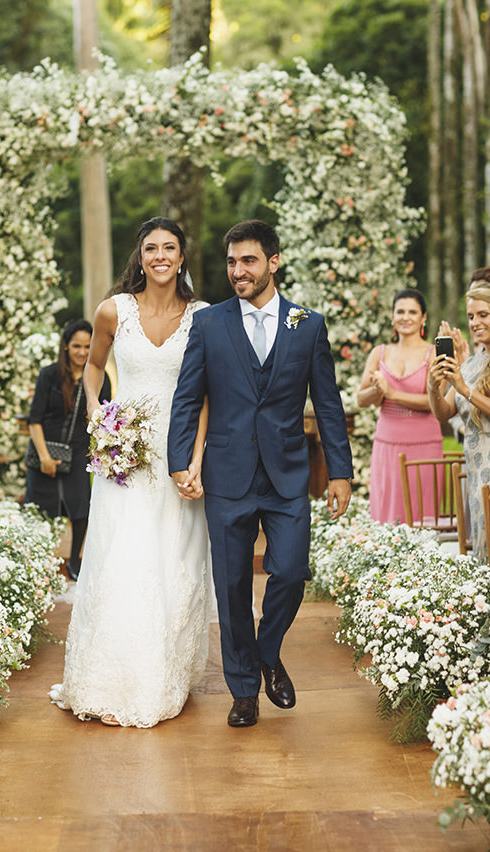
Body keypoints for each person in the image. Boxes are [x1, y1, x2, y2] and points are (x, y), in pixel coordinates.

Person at [168, 219, 352, 728]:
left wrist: (340, 471)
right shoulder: (209, 325)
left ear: (274, 262)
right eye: (231, 262)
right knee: (230, 586)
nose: (237, 271)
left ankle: (266, 651)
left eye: (248, 260)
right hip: (227, 473)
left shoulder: (308, 325)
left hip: (288, 472)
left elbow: (329, 405)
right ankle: (244, 690)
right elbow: (187, 398)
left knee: (291, 571)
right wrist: (180, 460)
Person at [49, 217, 210, 727]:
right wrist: (100, 416)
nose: (160, 255)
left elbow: (207, 394)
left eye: (169, 247)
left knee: (174, 558)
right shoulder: (112, 310)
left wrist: (196, 459)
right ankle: (109, 675)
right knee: (122, 556)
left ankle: (166, 673)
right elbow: (93, 369)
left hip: (179, 450)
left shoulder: (203, 316)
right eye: (150, 248)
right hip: (127, 453)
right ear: (139, 257)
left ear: (182, 257)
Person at [24, 319, 111, 581]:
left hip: (77, 452)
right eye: (76, 346)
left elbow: (105, 416)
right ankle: (37, 565)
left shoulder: (100, 377)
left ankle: (75, 561)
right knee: (39, 511)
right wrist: (44, 457)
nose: (82, 352)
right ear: (66, 346)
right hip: (44, 451)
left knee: (81, 509)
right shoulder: (49, 374)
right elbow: (34, 420)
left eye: (87, 346)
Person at [357, 289, 443, 524]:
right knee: (387, 514)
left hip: (425, 445)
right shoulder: (380, 353)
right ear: (393, 317)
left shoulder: (434, 354)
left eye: (412, 312)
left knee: (423, 516)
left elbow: (435, 402)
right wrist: (377, 389)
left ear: (423, 318)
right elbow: (361, 399)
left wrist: (392, 392)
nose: (406, 317)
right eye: (400, 311)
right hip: (386, 444)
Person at [428, 283, 490, 563]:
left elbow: (466, 394)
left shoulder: (468, 376)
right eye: (471, 316)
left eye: (483, 315)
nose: (475, 323)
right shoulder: (472, 364)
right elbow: (444, 413)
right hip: (477, 471)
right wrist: (433, 387)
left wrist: (465, 389)